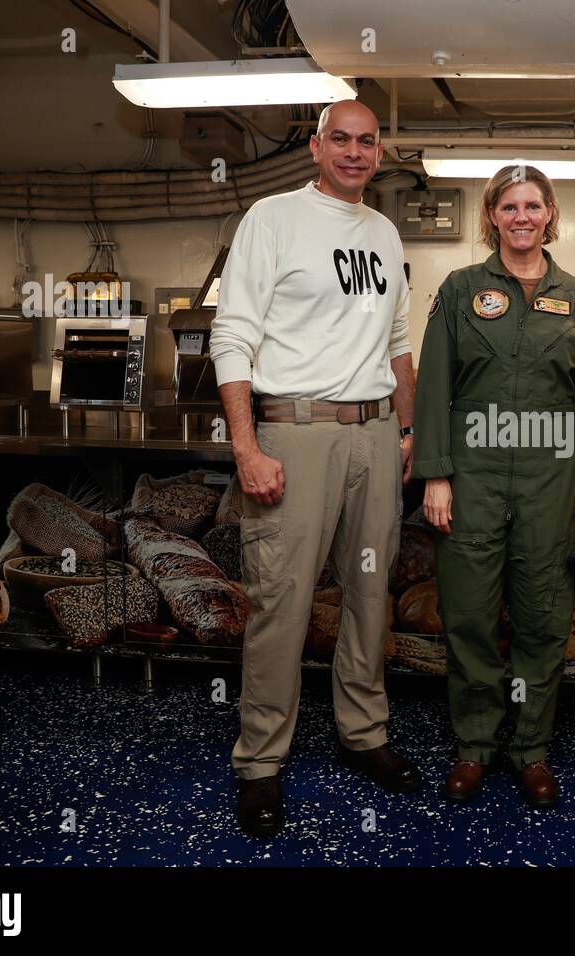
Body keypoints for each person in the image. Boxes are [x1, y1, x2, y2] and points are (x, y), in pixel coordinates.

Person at [209, 100, 421, 840]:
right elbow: (230, 335)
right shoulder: (272, 219)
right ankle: (260, 760)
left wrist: (407, 427)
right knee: (283, 601)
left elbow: (398, 340)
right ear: (316, 145)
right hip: (295, 432)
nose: (356, 153)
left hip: (374, 436)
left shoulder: (386, 230)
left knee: (369, 595)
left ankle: (363, 731)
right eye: (342, 139)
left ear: (378, 151)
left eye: (368, 142)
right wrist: (247, 447)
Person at [412, 164, 575, 807]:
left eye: (533, 205)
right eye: (509, 206)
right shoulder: (461, 288)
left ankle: (530, 748)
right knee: (469, 615)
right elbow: (435, 388)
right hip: (471, 478)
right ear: (492, 217)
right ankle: (474, 746)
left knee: (542, 619)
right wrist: (437, 476)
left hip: (549, 482)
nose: (521, 217)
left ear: (550, 214)